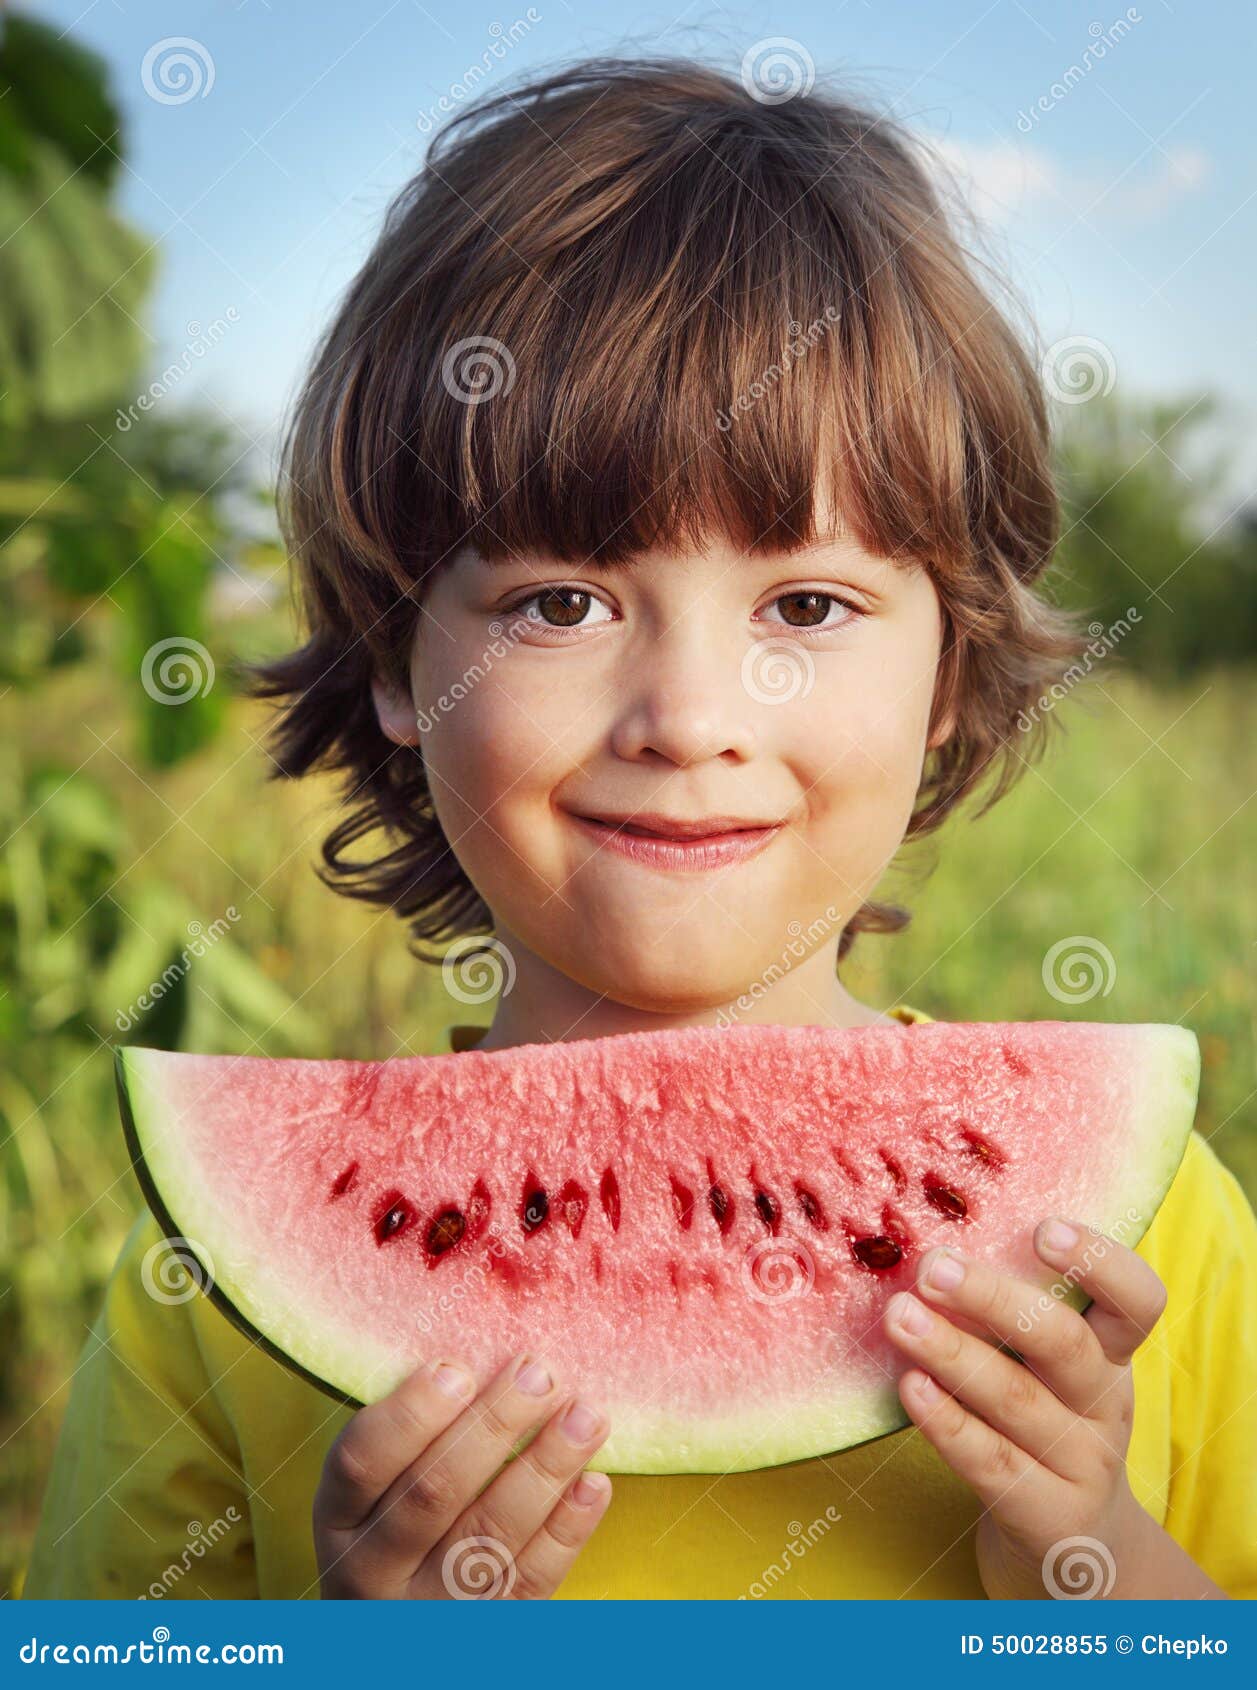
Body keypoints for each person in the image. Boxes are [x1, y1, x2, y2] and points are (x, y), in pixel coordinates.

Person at [22, 54, 1257, 1601]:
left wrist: (1088, 1554)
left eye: (806, 603)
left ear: (947, 672)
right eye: (560, 602)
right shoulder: (208, 1293)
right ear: (399, 656)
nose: (686, 713)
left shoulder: (1148, 1243)